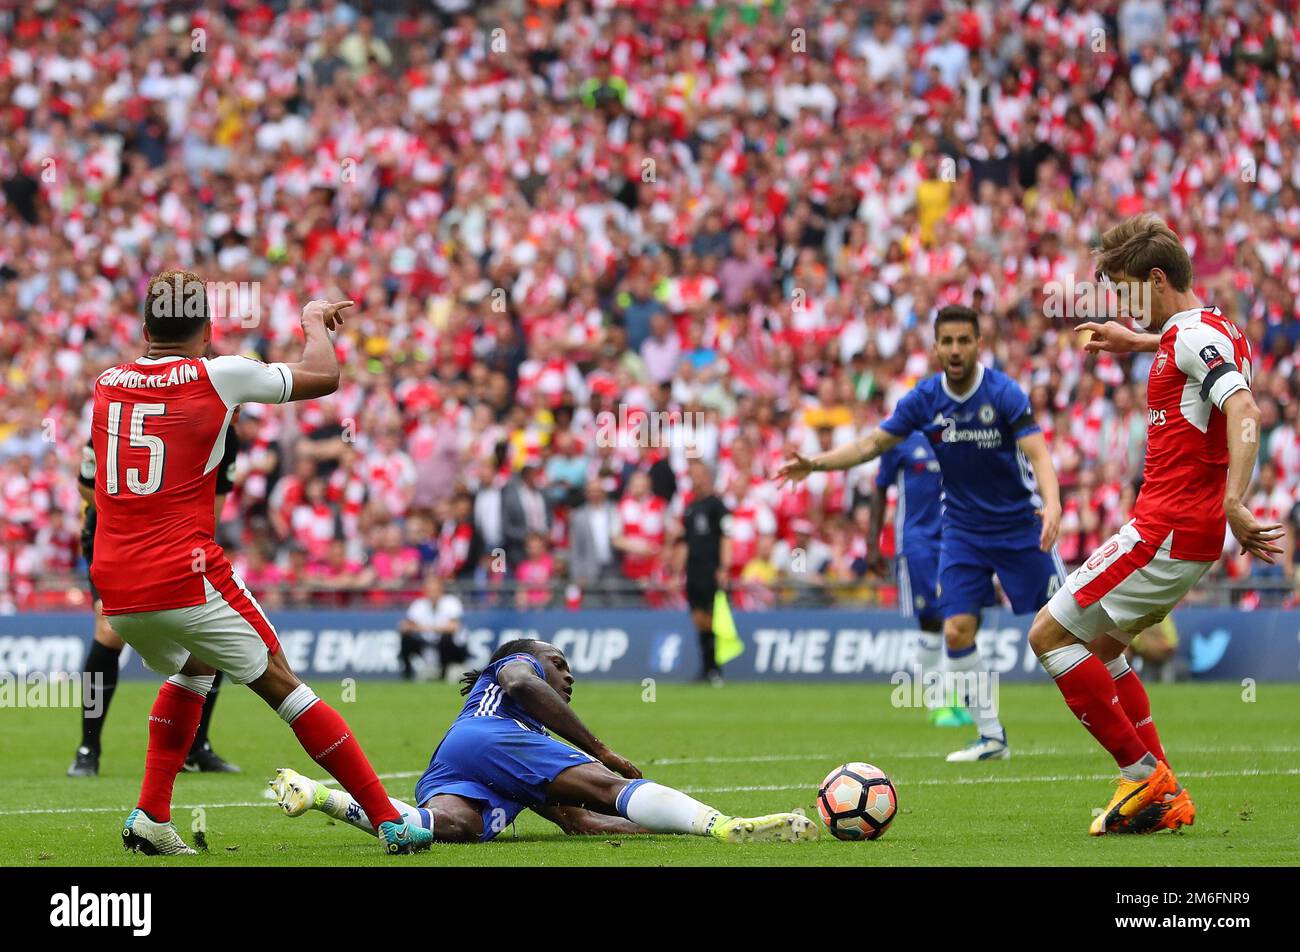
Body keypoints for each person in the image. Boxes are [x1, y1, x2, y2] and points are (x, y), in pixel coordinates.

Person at [93, 270, 433, 855]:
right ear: (208, 329)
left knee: (196, 668)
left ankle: (151, 814)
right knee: (280, 679)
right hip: (185, 571)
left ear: (144, 327)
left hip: (117, 586)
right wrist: (310, 322)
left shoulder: (105, 383)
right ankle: (390, 820)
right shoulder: (218, 372)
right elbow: (324, 376)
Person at [1028, 214, 1282, 835]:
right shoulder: (1209, 329)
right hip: (1178, 533)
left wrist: (1234, 501)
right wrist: (1136, 341)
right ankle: (1164, 798)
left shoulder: (1194, 338)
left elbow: (1244, 408)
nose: (1121, 303)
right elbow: (1195, 354)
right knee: (1105, 649)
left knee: (1049, 637)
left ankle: (1143, 776)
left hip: (1163, 529)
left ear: (1158, 278)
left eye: (1125, 290)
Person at [776, 305, 1065, 762]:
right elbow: (872, 443)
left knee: (1070, 630)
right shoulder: (925, 399)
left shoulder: (1002, 393)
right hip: (964, 531)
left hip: (1020, 527)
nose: (954, 349)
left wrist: (1052, 503)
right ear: (935, 347)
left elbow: (1040, 454)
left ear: (977, 345)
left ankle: (1125, 716)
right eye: (946, 341)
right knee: (956, 630)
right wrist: (816, 463)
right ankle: (991, 736)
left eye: (963, 341)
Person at [270, 639, 818, 844]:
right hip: (487, 739)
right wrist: (601, 753)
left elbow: (581, 820)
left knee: (450, 828)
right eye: (561, 664)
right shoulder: (516, 668)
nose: (568, 674)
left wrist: (659, 829)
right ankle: (724, 826)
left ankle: (319, 796)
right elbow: (520, 683)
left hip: (459, 765)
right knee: (608, 783)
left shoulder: (531, 749)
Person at [69, 427, 242, 778]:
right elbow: (86, 483)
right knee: (110, 627)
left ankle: (196, 747)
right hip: (112, 534)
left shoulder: (228, 434)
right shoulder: (122, 413)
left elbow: (215, 505)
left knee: (214, 625)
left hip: (176, 539)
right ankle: (88, 747)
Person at [867, 431, 972, 728]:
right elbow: (879, 489)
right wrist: (872, 543)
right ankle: (937, 703)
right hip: (918, 544)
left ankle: (953, 698)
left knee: (957, 619)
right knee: (930, 621)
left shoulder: (959, 437)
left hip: (955, 541)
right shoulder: (901, 441)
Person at [681, 461, 731, 685]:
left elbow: (726, 536)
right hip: (693, 571)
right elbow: (685, 542)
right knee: (698, 619)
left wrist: (724, 567)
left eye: (699, 475)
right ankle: (706, 668)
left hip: (710, 569)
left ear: (708, 477)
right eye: (692, 475)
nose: (695, 479)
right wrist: (677, 570)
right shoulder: (690, 507)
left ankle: (715, 668)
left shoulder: (717, 506)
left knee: (711, 619)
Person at [397, 572, 465, 681]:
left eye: (435, 590)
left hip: (449, 646)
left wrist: (425, 628)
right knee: (406, 639)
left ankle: (444, 672)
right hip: (426, 642)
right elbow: (404, 626)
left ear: (441, 590)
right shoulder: (419, 604)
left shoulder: (451, 602)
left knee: (445, 638)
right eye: (429, 590)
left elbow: (454, 627)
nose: (432, 593)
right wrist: (414, 627)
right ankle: (407, 674)